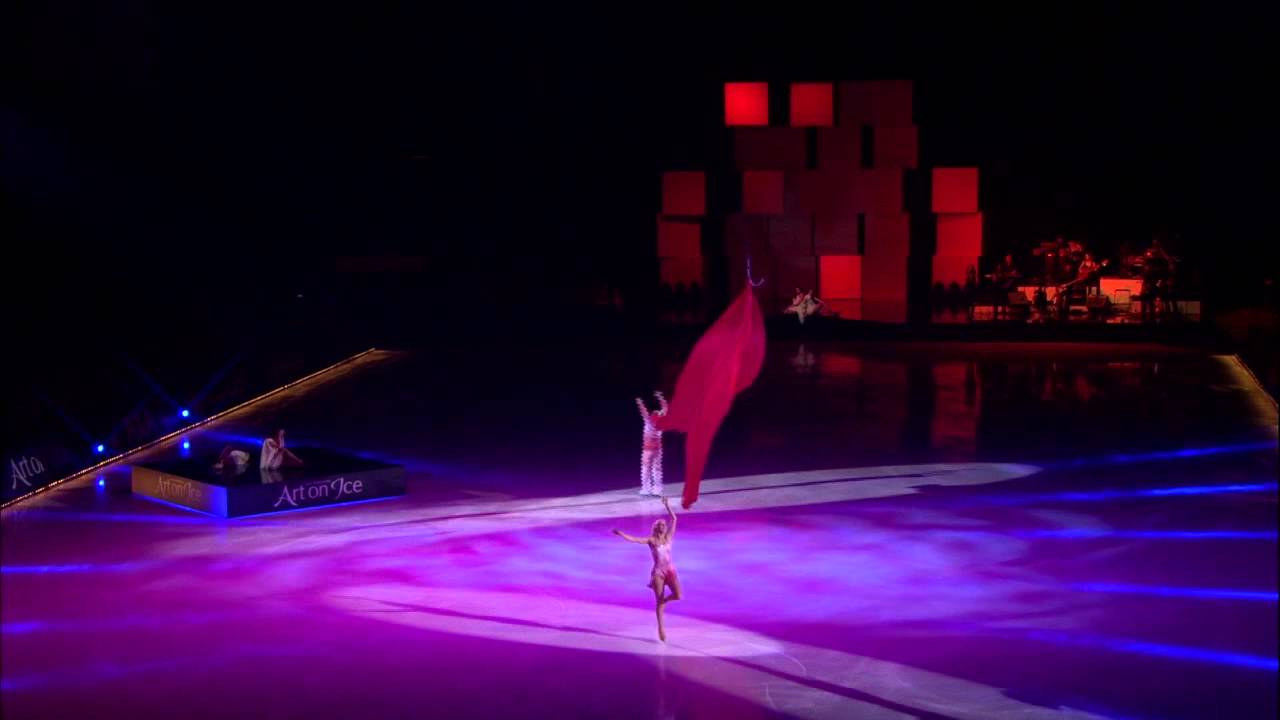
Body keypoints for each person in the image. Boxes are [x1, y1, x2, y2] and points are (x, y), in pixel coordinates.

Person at [612, 496, 682, 642]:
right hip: (658, 574)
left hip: (670, 570)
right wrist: (621, 534)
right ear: (656, 528)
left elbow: (674, 519)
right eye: (660, 524)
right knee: (658, 601)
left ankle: (665, 601)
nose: (663, 525)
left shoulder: (669, 537)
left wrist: (667, 505)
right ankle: (661, 627)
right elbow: (635, 540)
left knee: (678, 595)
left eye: (664, 524)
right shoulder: (651, 540)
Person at [635, 392, 668, 496]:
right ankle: (657, 489)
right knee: (656, 469)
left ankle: (646, 489)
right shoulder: (661, 423)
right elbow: (665, 408)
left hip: (648, 449)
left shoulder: (648, 421)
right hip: (657, 449)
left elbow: (643, 411)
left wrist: (639, 402)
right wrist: (660, 397)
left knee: (646, 469)